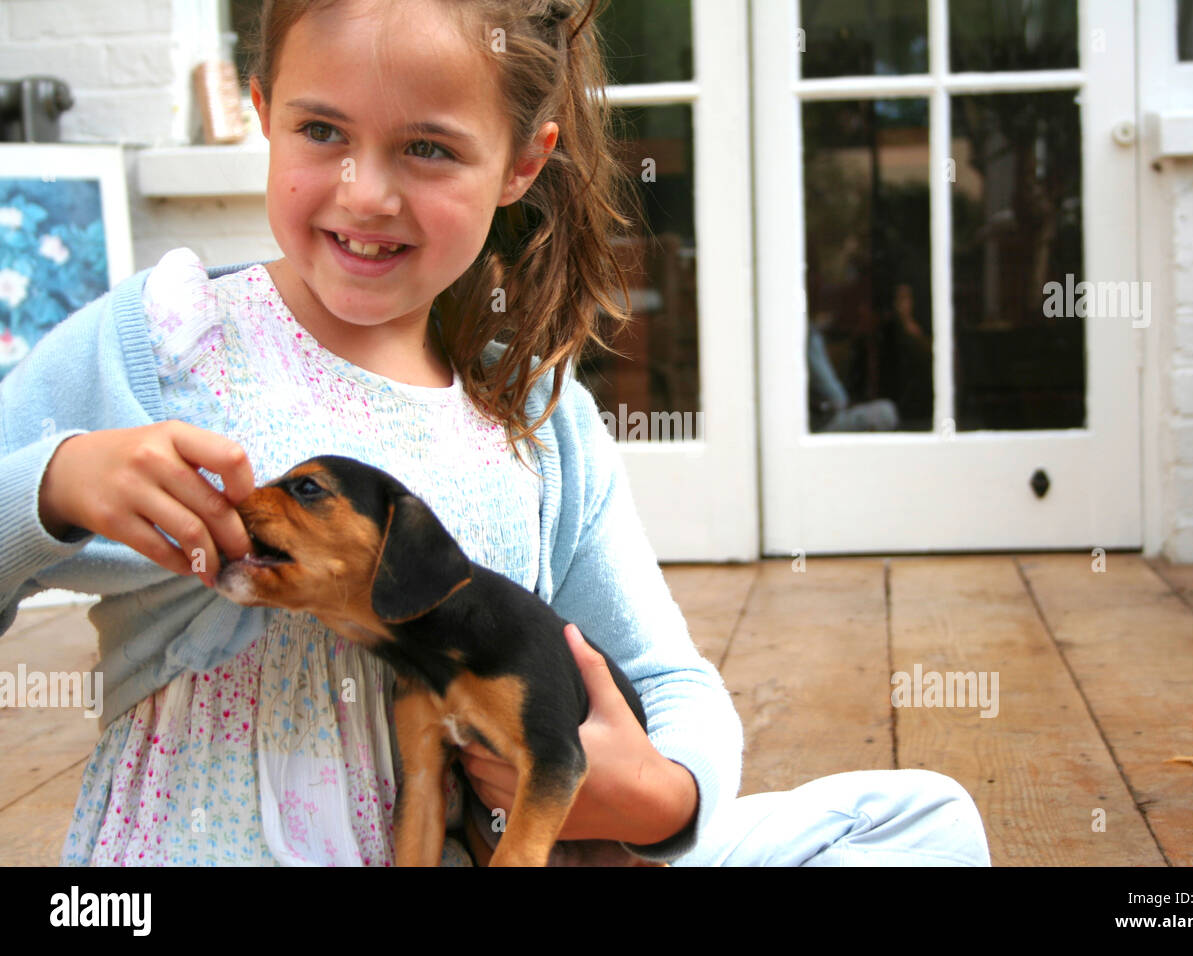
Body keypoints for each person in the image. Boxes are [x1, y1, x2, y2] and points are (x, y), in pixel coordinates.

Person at [0, 0, 989, 867]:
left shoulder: (537, 415)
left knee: (922, 819)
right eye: (320, 130)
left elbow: (666, 676)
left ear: (522, 161)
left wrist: (658, 793)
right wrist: (50, 486)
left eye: (426, 147)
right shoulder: (167, 344)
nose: (365, 192)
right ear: (262, 111)